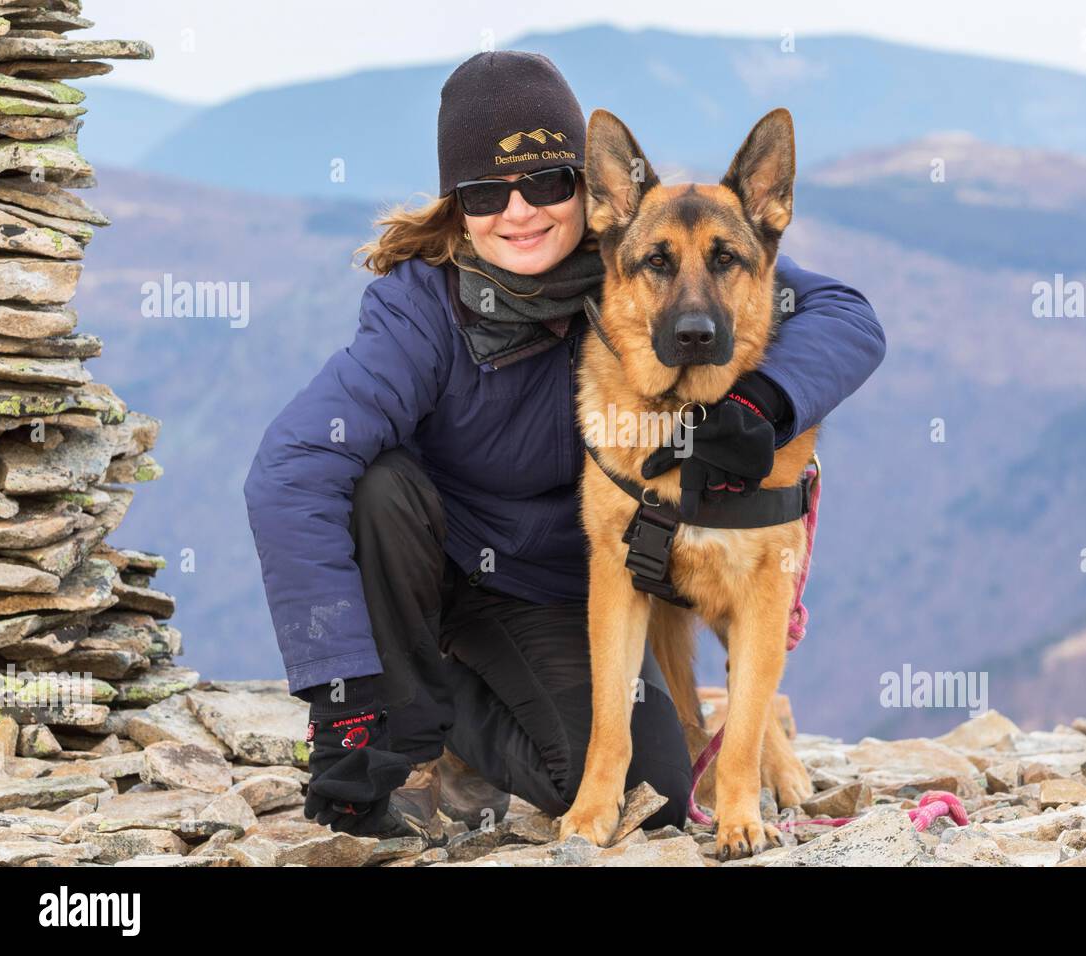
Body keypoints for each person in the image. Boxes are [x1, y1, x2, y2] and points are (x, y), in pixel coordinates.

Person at [242, 49, 886, 839]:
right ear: (460, 205)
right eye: (486, 191)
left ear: (590, 192)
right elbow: (290, 469)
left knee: (652, 795)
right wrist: (342, 686)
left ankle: (461, 722)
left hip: (556, 591)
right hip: (441, 577)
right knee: (377, 484)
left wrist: (763, 404)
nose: (519, 212)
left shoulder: (635, 251)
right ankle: (405, 712)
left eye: (546, 183)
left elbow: (846, 316)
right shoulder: (421, 312)